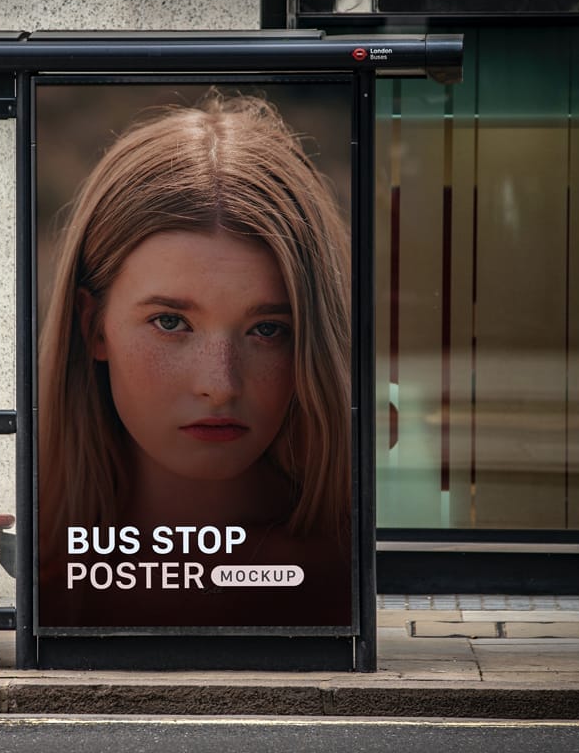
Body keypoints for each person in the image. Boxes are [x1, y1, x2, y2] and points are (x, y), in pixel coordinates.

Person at [38, 91, 351, 628]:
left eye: (267, 329)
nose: (220, 384)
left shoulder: (342, 575)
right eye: (170, 322)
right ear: (93, 327)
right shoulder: (37, 569)